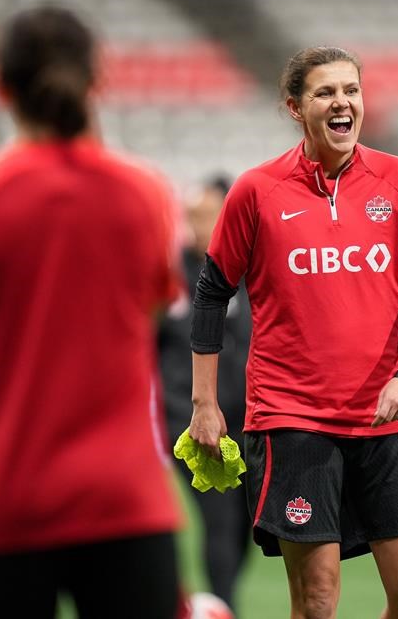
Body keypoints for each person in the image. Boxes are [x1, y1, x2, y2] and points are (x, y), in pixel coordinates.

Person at [0, 4, 182, 619]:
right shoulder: (147, 194)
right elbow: (146, 323)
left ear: (0, 86)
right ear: (96, 80)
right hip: (126, 501)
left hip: (6, 501)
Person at [187, 46, 398, 619]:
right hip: (291, 417)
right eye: (325, 92)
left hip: (382, 414)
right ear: (295, 108)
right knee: (318, 599)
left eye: (351, 90)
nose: (342, 102)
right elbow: (211, 294)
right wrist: (205, 402)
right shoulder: (256, 191)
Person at [158, 175, 252, 611]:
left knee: (247, 525)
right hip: (191, 420)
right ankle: (222, 606)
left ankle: (221, 602)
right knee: (219, 517)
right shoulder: (171, 277)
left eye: (208, 216)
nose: (199, 226)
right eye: (193, 217)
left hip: (249, 420)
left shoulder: (249, 271)